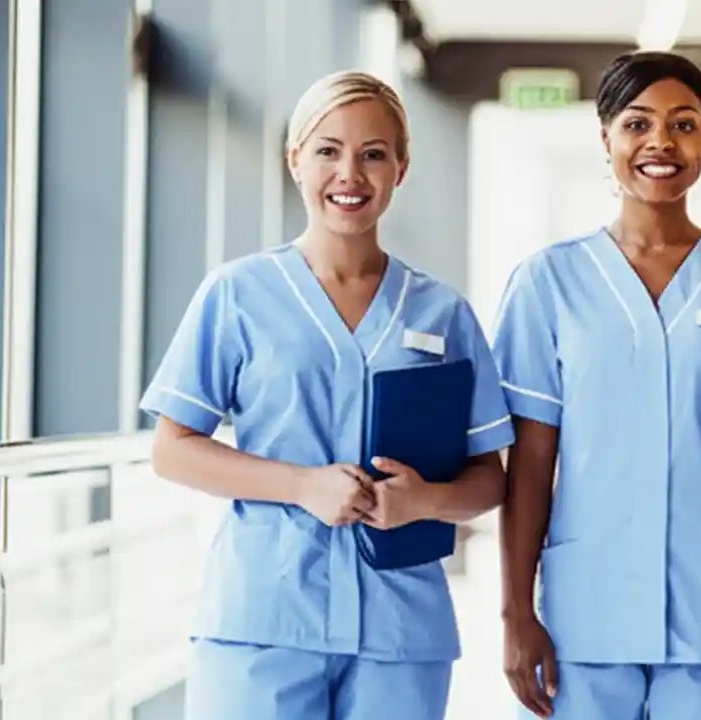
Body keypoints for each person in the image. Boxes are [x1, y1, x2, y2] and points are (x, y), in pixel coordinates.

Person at [140, 70, 514, 719]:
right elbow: (173, 450)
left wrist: (427, 500)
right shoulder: (237, 295)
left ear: (401, 168)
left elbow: (490, 477)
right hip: (263, 620)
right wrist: (301, 486)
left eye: (373, 154)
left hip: (399, 628)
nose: (351, 173)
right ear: (295, 160)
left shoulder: (441, 313)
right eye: (328, 150)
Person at [493, 51, 701, 720]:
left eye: (683, 124)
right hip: (584, 618)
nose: (661, 144)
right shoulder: (547, 283)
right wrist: (515, 611)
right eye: (638, 125)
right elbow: (530, 461)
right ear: (605, 137)